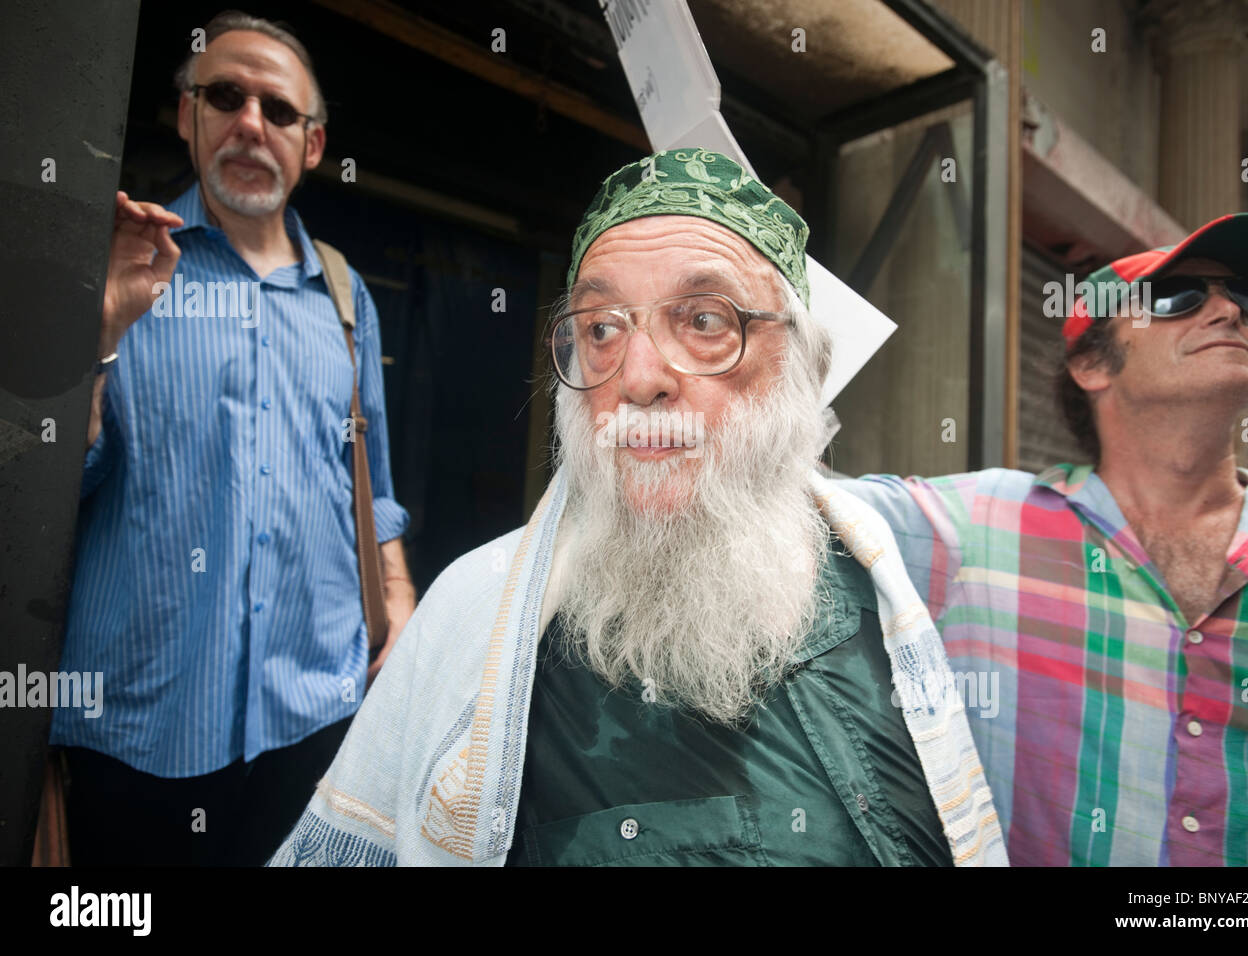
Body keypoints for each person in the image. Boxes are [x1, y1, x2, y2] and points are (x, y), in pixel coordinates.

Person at [271, 148, 1007, 867]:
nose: (640, 376)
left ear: (802, 369)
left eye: (705, 321)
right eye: (601, 329)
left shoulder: (880, 573)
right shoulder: (476, 620)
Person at [53, 11, 414, 866]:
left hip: (318, 717)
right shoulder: (120, 268)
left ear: (313, 144)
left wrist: (397, 602)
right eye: (226, 96)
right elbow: (55, 485)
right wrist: (99, 334)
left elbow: (374, 482)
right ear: (187, 116)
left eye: (279, 111)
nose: (252, 122)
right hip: (140, 731)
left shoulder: (343, 292)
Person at [849, 213, 1248, 865]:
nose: (1230, 309)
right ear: (1093, 363)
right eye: (1180, 297)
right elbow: (782, 494)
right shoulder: (977, 525)